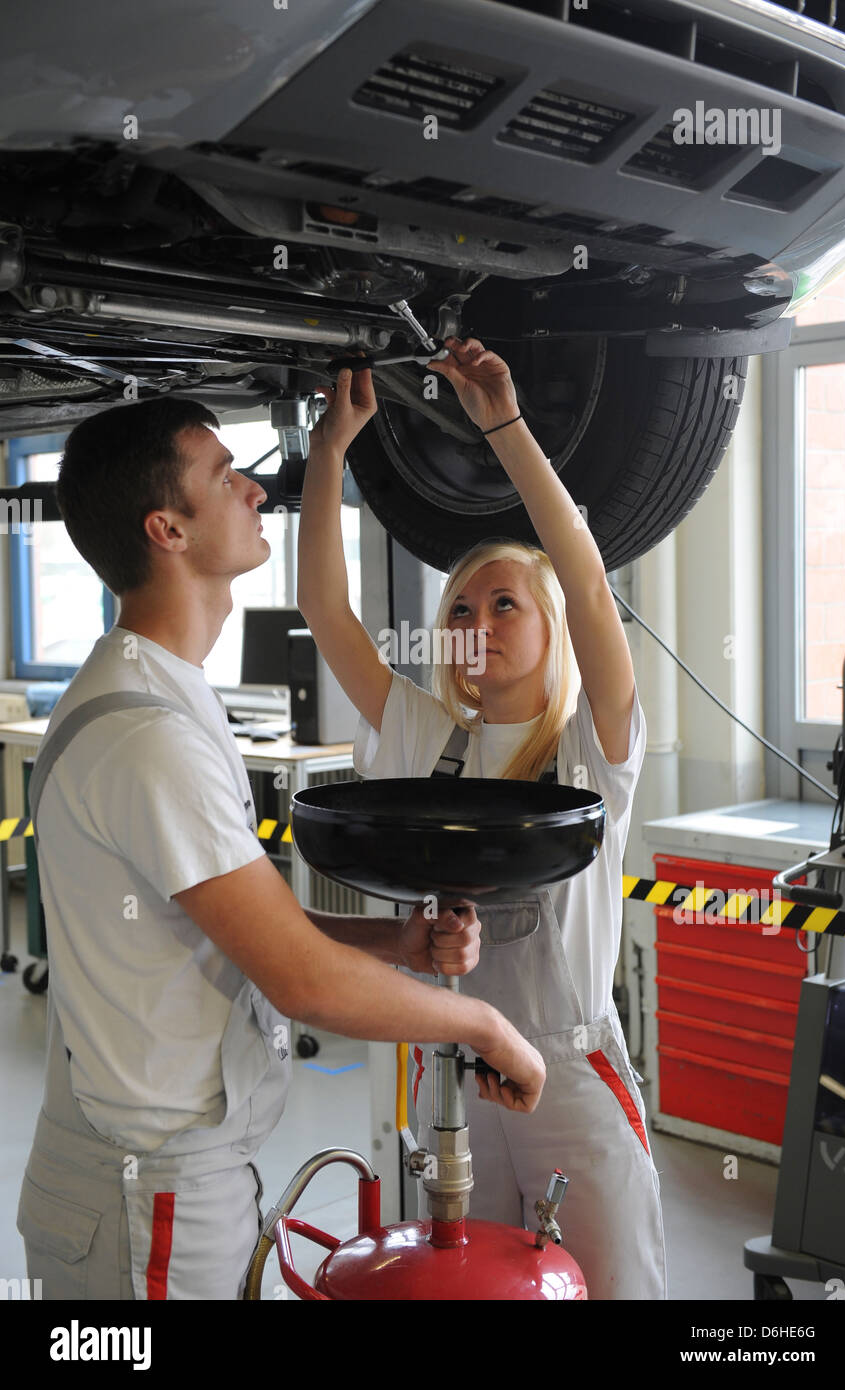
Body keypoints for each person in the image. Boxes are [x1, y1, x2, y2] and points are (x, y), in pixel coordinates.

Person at [16, 396, 546, 1302]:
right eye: (226, 477)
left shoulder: (166, 694)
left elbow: (253, 928)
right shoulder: (151, 735)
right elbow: (298, 979)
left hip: (170, 1175)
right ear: (167, 529)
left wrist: (400, 945)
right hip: (148, 1201)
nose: (257, 490)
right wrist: (485, 1026)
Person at [297, 337, 667, 1299]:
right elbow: (325, 609)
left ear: (553, 633)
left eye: (507, 604)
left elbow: (586, 579)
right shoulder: (427, 740)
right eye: (461, 608)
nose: (479, 622)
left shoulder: (590, 743)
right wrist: (330, 452)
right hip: (454, 1067)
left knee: (614, 1287)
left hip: (570, 1072)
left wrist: (502, 427)